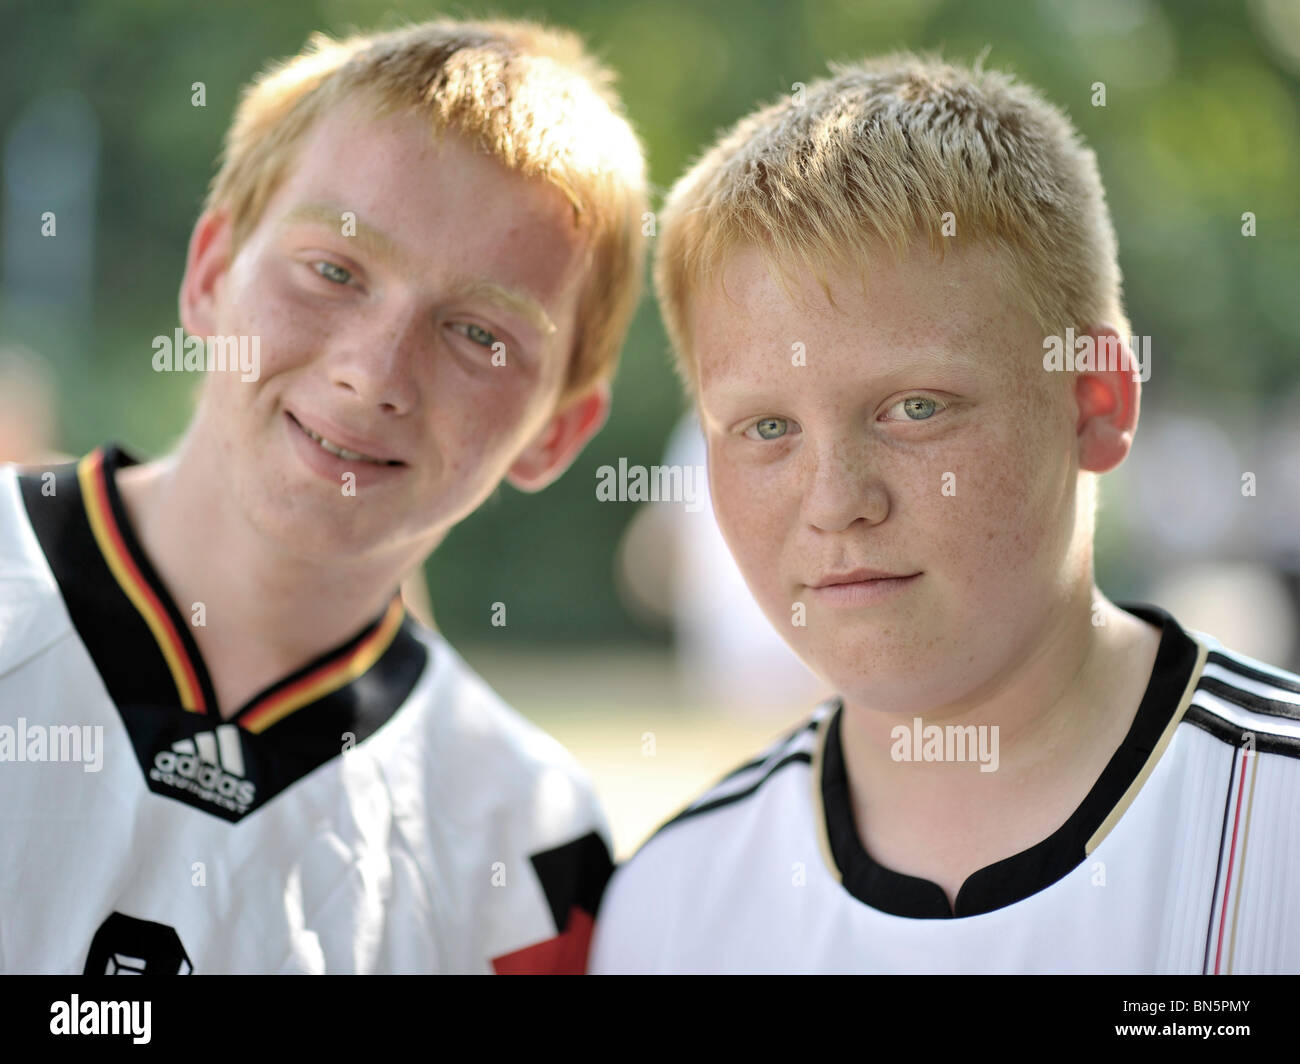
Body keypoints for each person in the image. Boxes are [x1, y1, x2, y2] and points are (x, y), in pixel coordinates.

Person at [589, 52, 1300, 974]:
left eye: (916, 408)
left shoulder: (1274, 825)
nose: (838, 501)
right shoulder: (669, 907)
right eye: (767, 428)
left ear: (1098, 400)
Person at [0, 17, 647, 974]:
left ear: (554, 432)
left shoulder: (529, 854)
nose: (375, 373)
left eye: (478, 334)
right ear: (211, 273)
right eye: (334, 271)